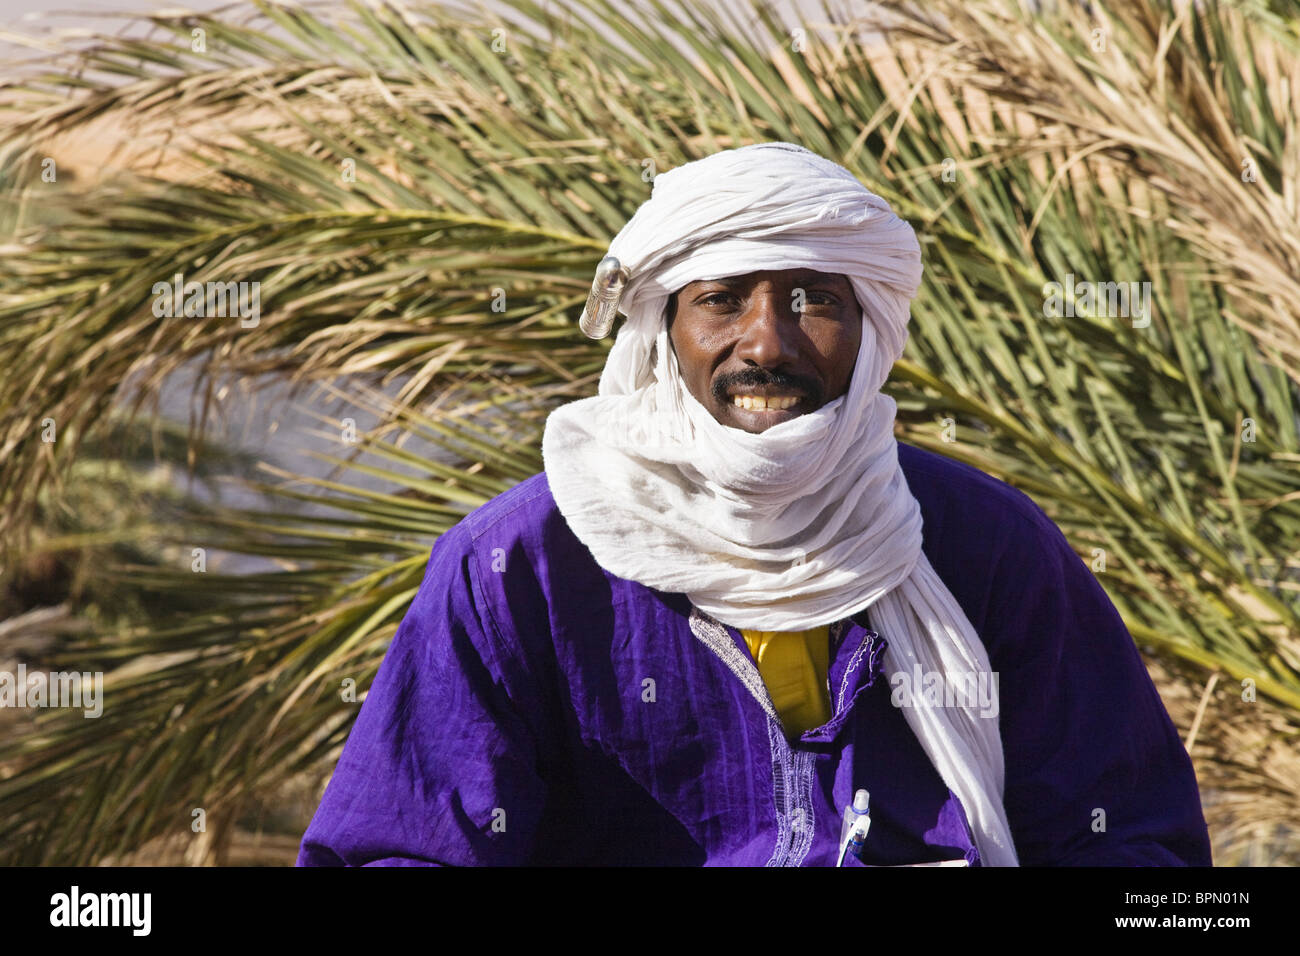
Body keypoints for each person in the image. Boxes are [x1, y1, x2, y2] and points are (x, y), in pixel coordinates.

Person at [297, 142, 1211, 866]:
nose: (766, 343)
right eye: (723, 301)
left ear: (868, 333)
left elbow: (1128, 842)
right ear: (665, 333)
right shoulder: (520, 567)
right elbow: (403, 851)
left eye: (813, 299)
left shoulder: (986, 546)